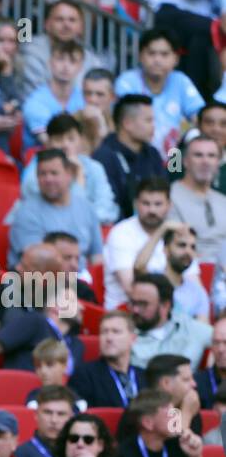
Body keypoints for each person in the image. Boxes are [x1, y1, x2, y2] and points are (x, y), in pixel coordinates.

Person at [0, 244, 83, 375]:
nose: (17, 268)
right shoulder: (8, 291)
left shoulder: (60, 299)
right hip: (8, 364)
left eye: (25, 267)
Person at [114, 29, 204, 159]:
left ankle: (176, 175)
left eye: (164, 54)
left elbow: (200, 117)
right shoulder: (127, 81)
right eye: (151, 53)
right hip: (138, 152)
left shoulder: (180, 80)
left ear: (176, 59)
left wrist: (189, 132)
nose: (157, 60)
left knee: (189, 142)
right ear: (140, 56)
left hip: (173, 154)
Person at [19, 113, 120, 228]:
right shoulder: (38, 170)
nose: (65, 145)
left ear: (80, 140)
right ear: (48, 143)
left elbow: (106, 208)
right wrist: (79, 177)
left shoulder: (94, 167)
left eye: (71, 139)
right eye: (58, 140)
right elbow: (51, 215)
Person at [7, 148, 104, 267]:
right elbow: (37, 263)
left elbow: (97, 256)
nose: (48, 179)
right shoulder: (26, 212)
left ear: (69, 175)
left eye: (54, 173)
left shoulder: (86, 206)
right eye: (42, 174)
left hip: (81, 277)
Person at [103, 179, 185, 311]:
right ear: (135, 204)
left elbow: (191, 280)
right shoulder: (121, 233)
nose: (152, 210)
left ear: (169, 205)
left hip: (171, 309)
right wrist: (161, 231)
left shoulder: (176, 231)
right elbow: (132, 289)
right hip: (127, 312)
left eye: (158, 204)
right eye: (146, 203)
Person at [116, 387, 205, 457]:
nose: (176, 419)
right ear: (148, 423)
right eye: (170, 414)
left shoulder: (178, 445)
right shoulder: (123, 455)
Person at [17, 0, 109, 99]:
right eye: (59, 19)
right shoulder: (32, 51)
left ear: (81, 27)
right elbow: (36, 92)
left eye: (72, 20)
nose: (66, 25)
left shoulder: (90, 57)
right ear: (47, 25)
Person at [93, 96, 167, 222]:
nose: (154, 126)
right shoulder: (104, 156)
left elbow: (166, 189)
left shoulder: (153, 153)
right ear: (127, 123)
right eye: (148, 121)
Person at [128, 272, 214, 369]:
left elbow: (221, 336)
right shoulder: (122, 335)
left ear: (165, 306)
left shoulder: (190, 329)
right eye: (132, 303)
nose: (135, 310)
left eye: (143, 304)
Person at [69, 311, 145, 410]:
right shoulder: (84, 375)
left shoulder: (144, 376)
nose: (109, 338)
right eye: (104, 332)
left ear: (133, 339)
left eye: (116, 331)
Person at [21, 39, 85, 151]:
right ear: (50, 62)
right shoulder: (35, 102)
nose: (66, 66)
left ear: (80, 67)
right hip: (42, 162)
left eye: (72, 61)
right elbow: (51, 143)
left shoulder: (84, 98)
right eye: (60, 59)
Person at [171, 132, 226, 262]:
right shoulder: (170, 197)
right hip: (191, 271)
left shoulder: (222, 200)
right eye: (198, 155)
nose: (205, 161)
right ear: (185, 161)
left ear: (218, 162)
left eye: (211, 156)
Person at [146, 224, 211, 322]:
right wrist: (162, 229)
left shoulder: (198, 293)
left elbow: (204, 331)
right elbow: (139, 266)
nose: (188, 251)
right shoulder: (150, 282)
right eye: (182, 245)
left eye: (193, 247)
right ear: (165, 249)